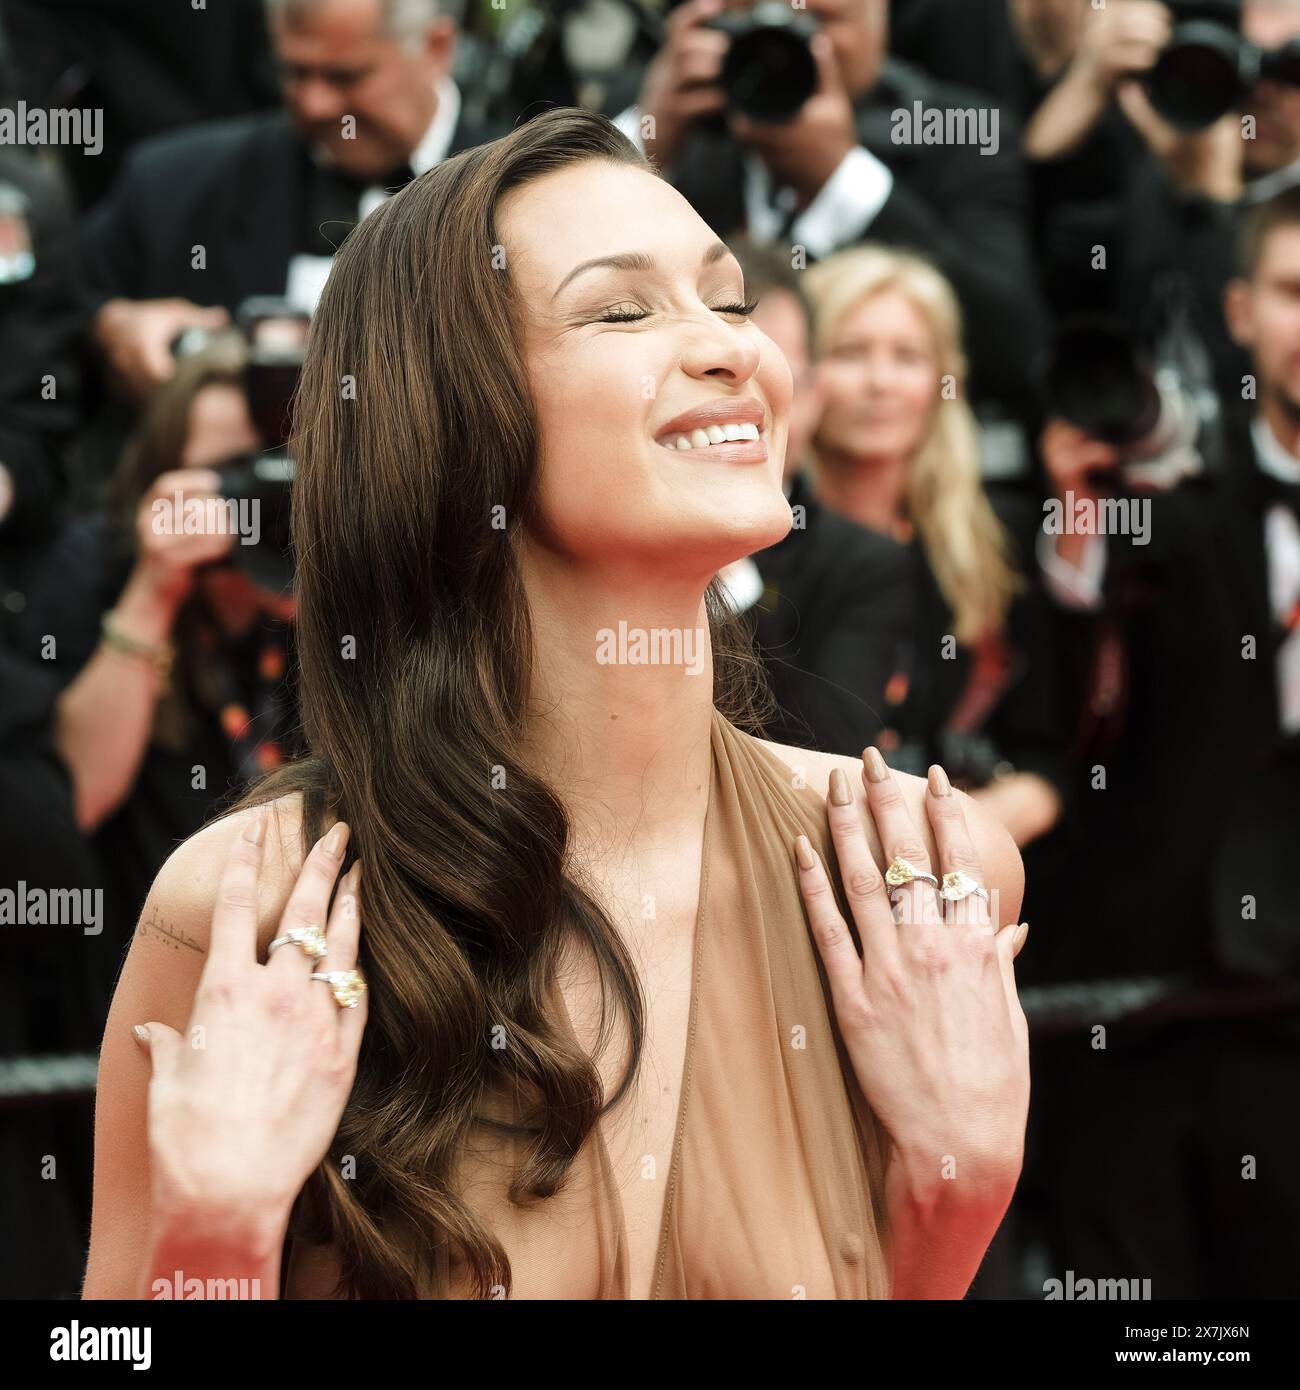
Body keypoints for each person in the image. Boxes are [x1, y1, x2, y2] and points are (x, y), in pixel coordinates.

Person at [81, 108, 1028, 1302]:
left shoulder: (913, 880)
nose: (732, 349)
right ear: (457, 413)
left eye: (725, 300)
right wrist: (212, 1241)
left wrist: (958, 1199)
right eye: (621, 310)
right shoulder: (253, 909)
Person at [1027, 184, 1300, 1297]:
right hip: (1149, 993)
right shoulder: (1165, 492)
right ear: (1239, 309)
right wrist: (1074, 523)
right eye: (1293, 290)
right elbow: (1069, 674)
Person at [16, 331, 301, 1020]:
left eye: (278, 472)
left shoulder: (337, 586)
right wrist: (153, 589)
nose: (253, 497)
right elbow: (76, 797)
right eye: (229, 472)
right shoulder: (99, 569)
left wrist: (317, 594)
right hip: (141, 976)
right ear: (164, 477)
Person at [613, 0, 1048, 432]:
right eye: (750, 19)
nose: (779, 42)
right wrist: (639, 147)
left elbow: (1014, 348)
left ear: (880, 21)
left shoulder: (953, 128)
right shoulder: (658, 107)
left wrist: (843, 180)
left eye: (816, 20)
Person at [81, 0, 504, 405]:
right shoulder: (172, 186)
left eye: (345, 76)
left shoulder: (525, 193)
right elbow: (53, 314)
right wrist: (112, 327)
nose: (313, 104)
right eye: (295, 73)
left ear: (437, 48)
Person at [801, 244, 1066, 849]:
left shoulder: (998, 533)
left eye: (908, 357)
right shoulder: (764, 544)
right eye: (849, 353)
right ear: (803, 375)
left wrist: (992, 818)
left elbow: (1047, 758)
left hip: (981, 874)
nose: (880, 382)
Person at [716, 236, 915, 756]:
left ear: (813, 394)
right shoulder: (606, 531)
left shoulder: (864, 566)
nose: (743, 406)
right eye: (718, 376)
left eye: (769, 374)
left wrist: (729, 575)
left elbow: (828, 754)